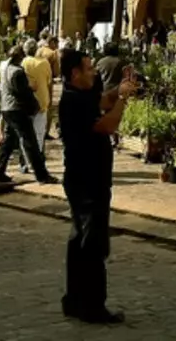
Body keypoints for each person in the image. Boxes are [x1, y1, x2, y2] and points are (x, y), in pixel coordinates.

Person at [58, 46, 137, 324]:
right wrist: (123, 100)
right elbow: (107, 124)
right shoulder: (72, 101)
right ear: (74, 73)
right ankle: (92, 305)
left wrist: (119, 90)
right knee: (92, 243)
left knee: (79, 239)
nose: (94, 71)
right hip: (86, 178)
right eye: (89, 68)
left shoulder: (83, 93)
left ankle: (74, 299)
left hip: (88, 177)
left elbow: (102, 101)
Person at [0, 45, 56, 184]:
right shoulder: (17, 72)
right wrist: (34, 105)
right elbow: (23, 93)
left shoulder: (4, 68)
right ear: (20, 57)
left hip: (6, 108)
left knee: (8, 143)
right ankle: (42, 175)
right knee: (31, 143)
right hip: (17, 110)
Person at [21, 39, 53, 158]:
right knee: (39, 134)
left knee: (25, 134)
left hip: (26, 102)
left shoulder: (23, 62)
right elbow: (49, 83)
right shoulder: (44, 63)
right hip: (41, 100)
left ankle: (25, 160)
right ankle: (36, 160)